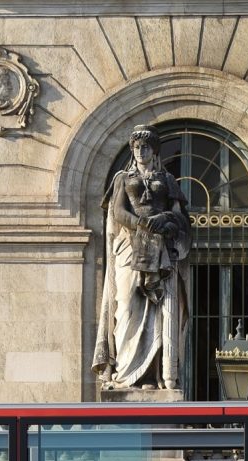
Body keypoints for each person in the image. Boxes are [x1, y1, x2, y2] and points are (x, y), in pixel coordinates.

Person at [91, 128, 191, 391]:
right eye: (137, 147)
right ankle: (126, 373)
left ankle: (150, 376)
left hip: (158, 248)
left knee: (157, 312)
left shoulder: (167, 179)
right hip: (129, 246)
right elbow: (118, 212)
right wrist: (142, 224)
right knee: (125, 305)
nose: (141, 151)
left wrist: (165, 220)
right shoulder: (123, 178)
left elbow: (179, 215)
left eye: (146, 147)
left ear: (154, 151)